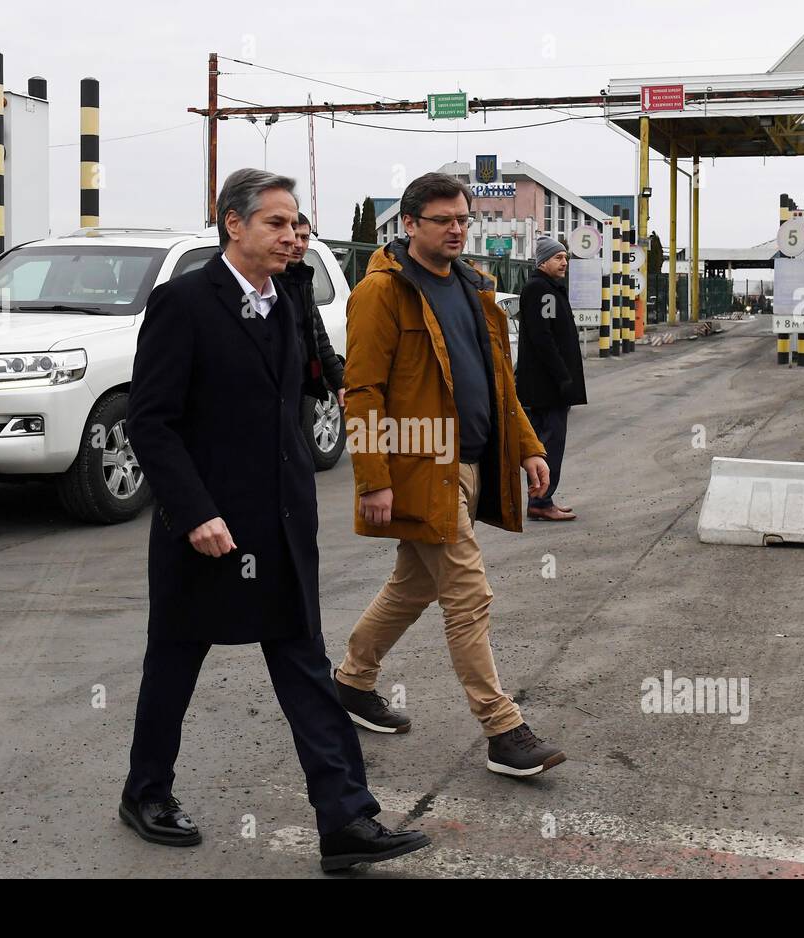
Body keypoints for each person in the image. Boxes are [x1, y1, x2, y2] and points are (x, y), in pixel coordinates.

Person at [121, 168, 431, 873]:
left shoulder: (288, 299)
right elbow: (152, 421)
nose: (293, 236)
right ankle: (145, 792)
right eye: (278, 224)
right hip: (208, 529)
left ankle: (346, 819)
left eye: (298, 226)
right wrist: (194, 512)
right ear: (233, 224)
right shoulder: (184, 303)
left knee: (306, 667)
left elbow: (301, 393)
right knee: (174, 662)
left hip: (282, 523)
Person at [337, 171, 567, 778]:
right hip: (421, 466)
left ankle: (352, 681)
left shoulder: (476, 290)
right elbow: (361, 392)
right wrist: (373, 479)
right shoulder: (382, 293)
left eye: (462, 219)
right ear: (409, 225)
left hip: (471, 465)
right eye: (442, 220)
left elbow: (499, 386)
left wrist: (528, 448)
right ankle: (503, 729)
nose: (457, 229)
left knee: (413, 586)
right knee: (468, 595)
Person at [515, 236, 587, 522]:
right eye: (558, 258)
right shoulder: (541, 290)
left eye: (566, 258)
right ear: (543, 261)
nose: (564, 262)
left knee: (548, 443)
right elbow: (543, 337)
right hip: (547, 387)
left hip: (549, 385)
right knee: (548, 443)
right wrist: (562, 377)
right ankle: (540, 502)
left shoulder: (549, 289)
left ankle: (542, 498)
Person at [280, 213, 345, 409]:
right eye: (295, 235)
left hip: (298, 389)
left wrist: (340, 382)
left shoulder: (303, 281)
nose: (299, 244)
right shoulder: (264, 281)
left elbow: (319, 339)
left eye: (305, 237)